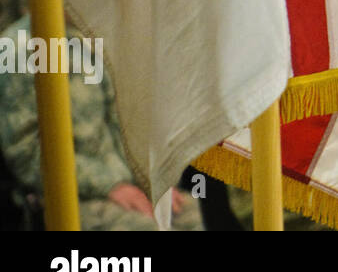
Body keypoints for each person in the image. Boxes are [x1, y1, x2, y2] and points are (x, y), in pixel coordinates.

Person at [0, 13, 202, 231]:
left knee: (191, 216)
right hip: (67, 194)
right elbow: (26, 153)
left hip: (124, 182)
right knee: (142, 228)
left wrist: (151, 180)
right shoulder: (19, 47)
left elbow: (121, 124)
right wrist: (110, 186)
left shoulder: (92, 34)